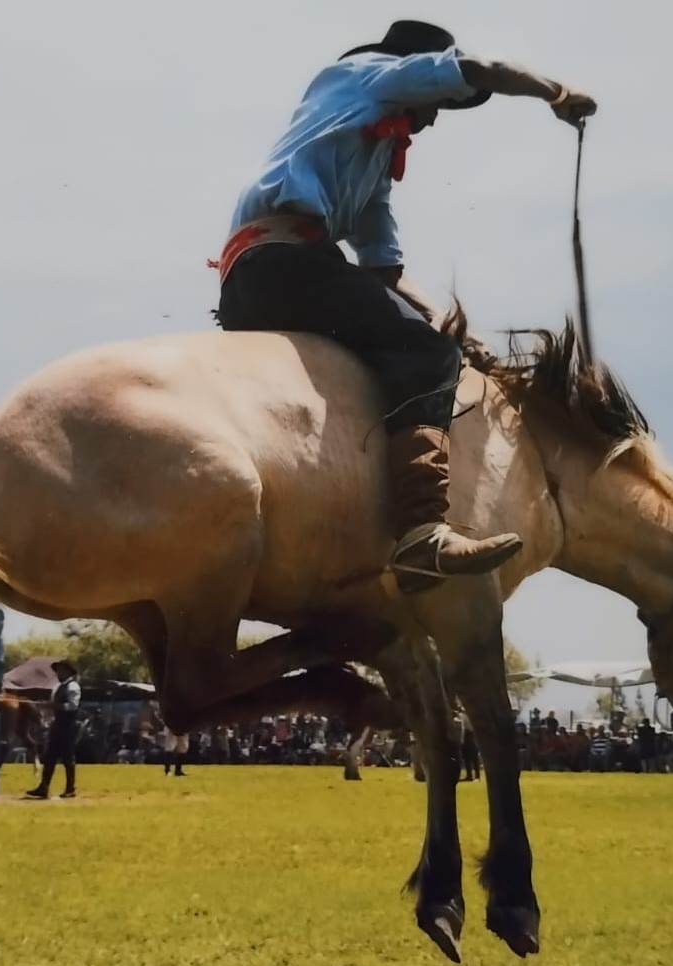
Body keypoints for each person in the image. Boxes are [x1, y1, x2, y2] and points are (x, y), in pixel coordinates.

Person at [217, 20, 596, 591]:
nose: (437, 116)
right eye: (440, 101)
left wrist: (456, 336)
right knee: (424, 357)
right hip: (287, 264)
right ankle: (422, 532)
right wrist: (557, 93)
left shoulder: (370, 160)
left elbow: (383, 270)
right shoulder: (367, 75)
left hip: (253, 276)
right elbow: (482, 69)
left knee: (418, 347)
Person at [26, 660, 81, 799]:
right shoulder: (57, 687)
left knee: (68, 757)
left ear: (68, 671)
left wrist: (54, 706)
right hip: (57, 725)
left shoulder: (73, 686)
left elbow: (72, 706)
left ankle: (70, 789)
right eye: (57, 671)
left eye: (61, 670)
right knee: (50, 756)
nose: (58, 673)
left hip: (68, 726)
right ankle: (43, 787)